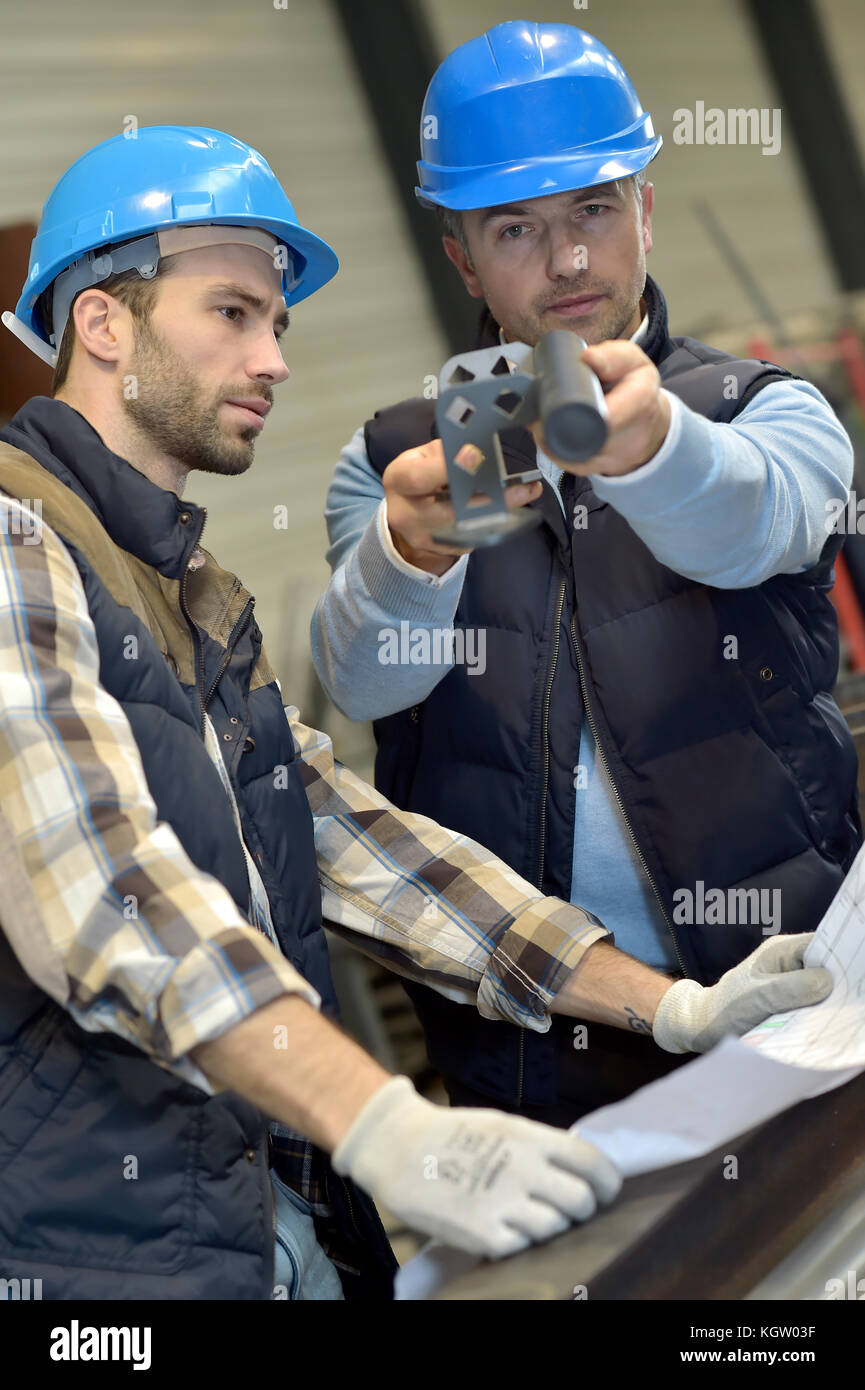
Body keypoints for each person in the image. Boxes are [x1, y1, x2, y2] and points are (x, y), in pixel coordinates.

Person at [0, 123, 835, 1303]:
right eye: (233, 312)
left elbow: (351, 844)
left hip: (263, 1215)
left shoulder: (189, 589)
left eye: (276, 324)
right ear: (101, 325)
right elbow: (99, 889)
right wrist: (384, 1123)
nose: (276, 359)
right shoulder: (16, 544)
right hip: (97, 1250)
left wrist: (672, 1004)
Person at [310, 21, 861, 1128]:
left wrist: (653, 446)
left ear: (644, 214)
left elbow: (745, 528)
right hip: (541, 1047)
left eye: (594, 212)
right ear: (460, 254)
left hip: (796, 987)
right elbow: (365, 681)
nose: (566, 260)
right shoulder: (394, 460)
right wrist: (409, 552)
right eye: (516, 226)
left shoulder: (760, 409)